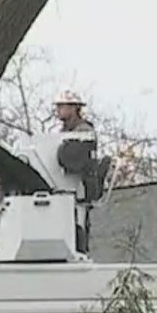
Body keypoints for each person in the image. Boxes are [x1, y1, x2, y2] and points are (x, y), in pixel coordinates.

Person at [53, 91, 99, 252]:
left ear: (74, 108)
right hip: (65, 187)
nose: (58, 109)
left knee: (78, 222)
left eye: (62, 106)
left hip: (80, 185)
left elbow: (76, 158)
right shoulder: (63, 132)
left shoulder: (84, 131)